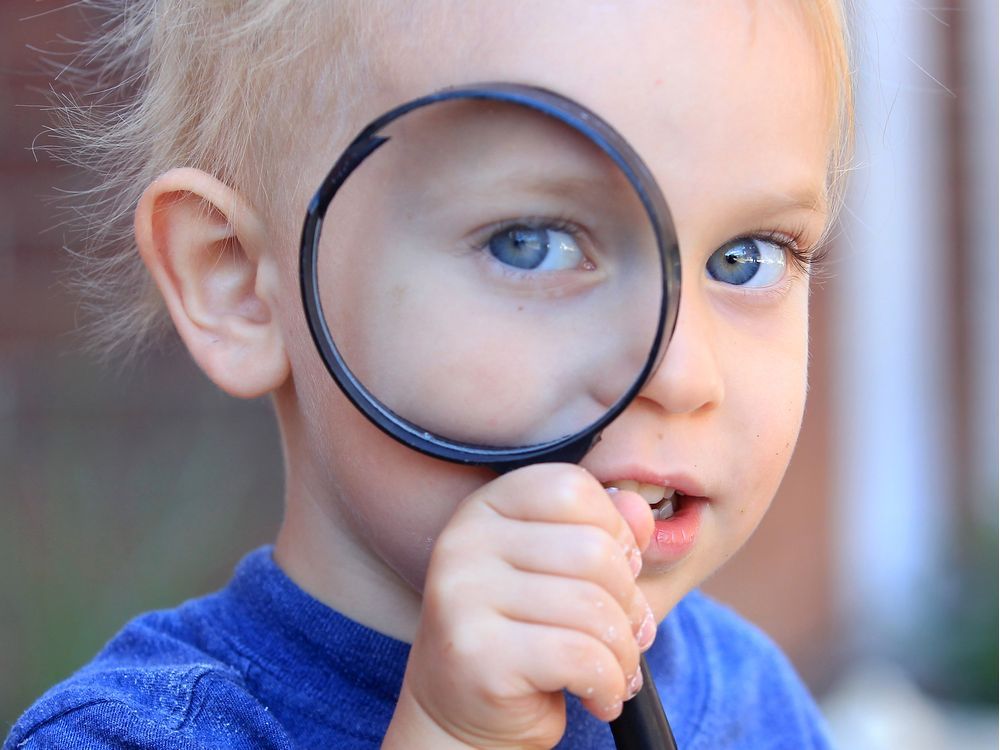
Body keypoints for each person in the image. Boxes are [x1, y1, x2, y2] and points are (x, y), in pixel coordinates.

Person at [5, 1, 852, 748]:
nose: (681, 371)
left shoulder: (751, 697)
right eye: (535, 243)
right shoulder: (134, 736)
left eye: (747, 258)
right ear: (238, 282)